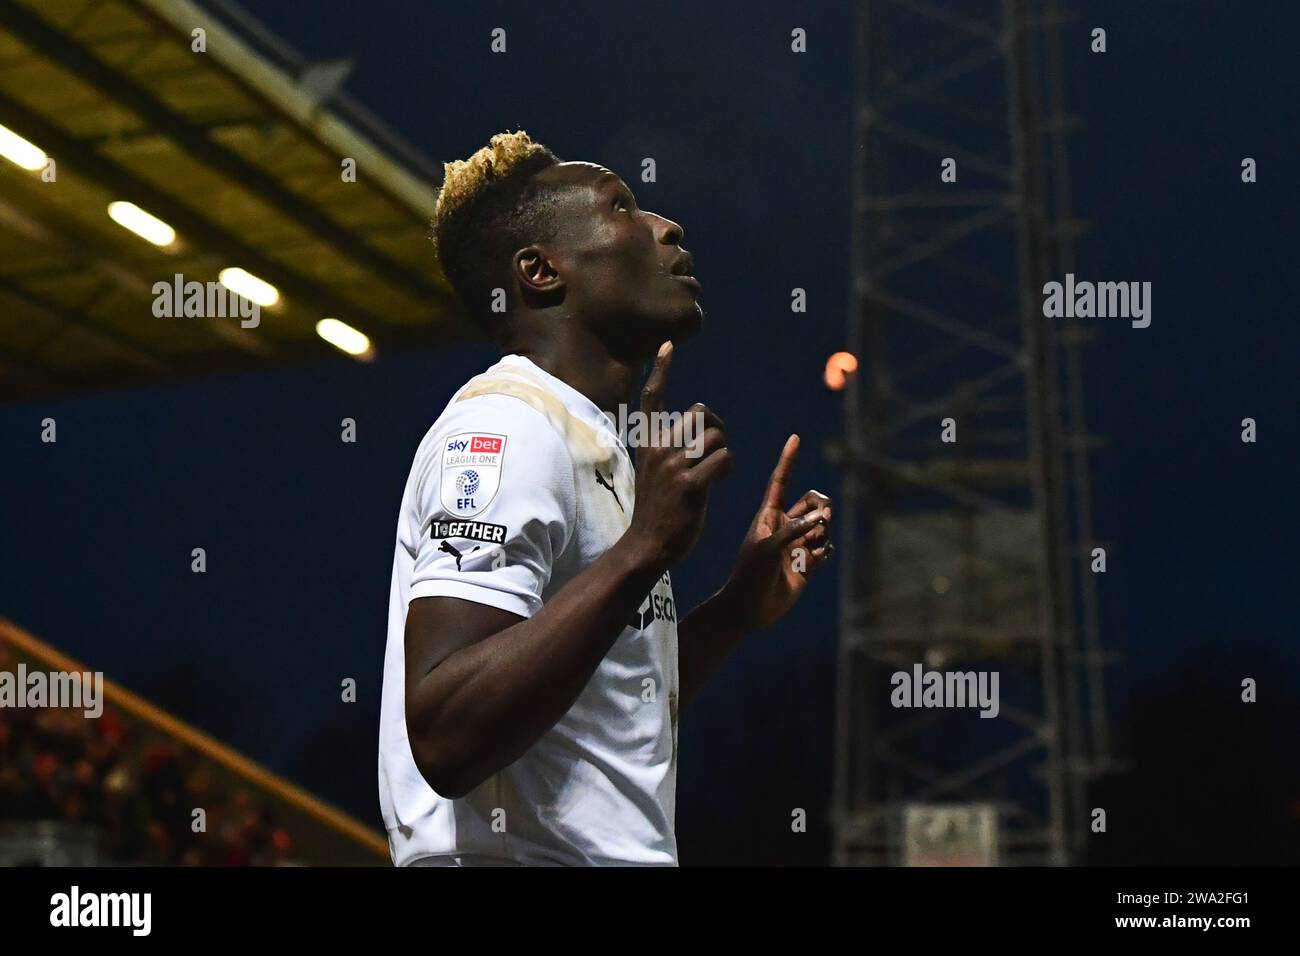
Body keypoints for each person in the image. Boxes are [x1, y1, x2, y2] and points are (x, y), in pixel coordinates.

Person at [379, 131, 833, 866]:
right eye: (622, 207)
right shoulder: (506, 426)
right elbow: (443, 733)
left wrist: (733, 612)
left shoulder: (598, 446)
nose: (666, 226)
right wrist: (646, 545)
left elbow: (606, 703)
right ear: (541, 271)